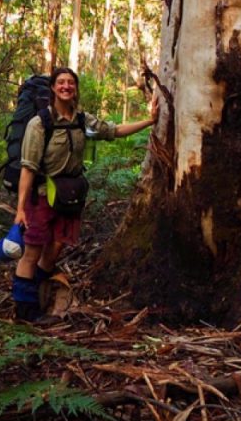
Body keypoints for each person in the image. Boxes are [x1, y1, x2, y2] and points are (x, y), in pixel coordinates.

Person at [11, 66, 157, 321]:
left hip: (69, 198)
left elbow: (113, 130)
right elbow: (28, 168)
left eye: (71, 83)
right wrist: (21, 208)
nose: (66, 87)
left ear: (75, 88)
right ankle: (25, 312)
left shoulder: (82, 120)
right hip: (42, 196)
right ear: (53, 88)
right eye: (61, 83)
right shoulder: (39, 123)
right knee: (32, 253)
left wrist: (150, 121)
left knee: (54, 249)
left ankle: (38, 297)